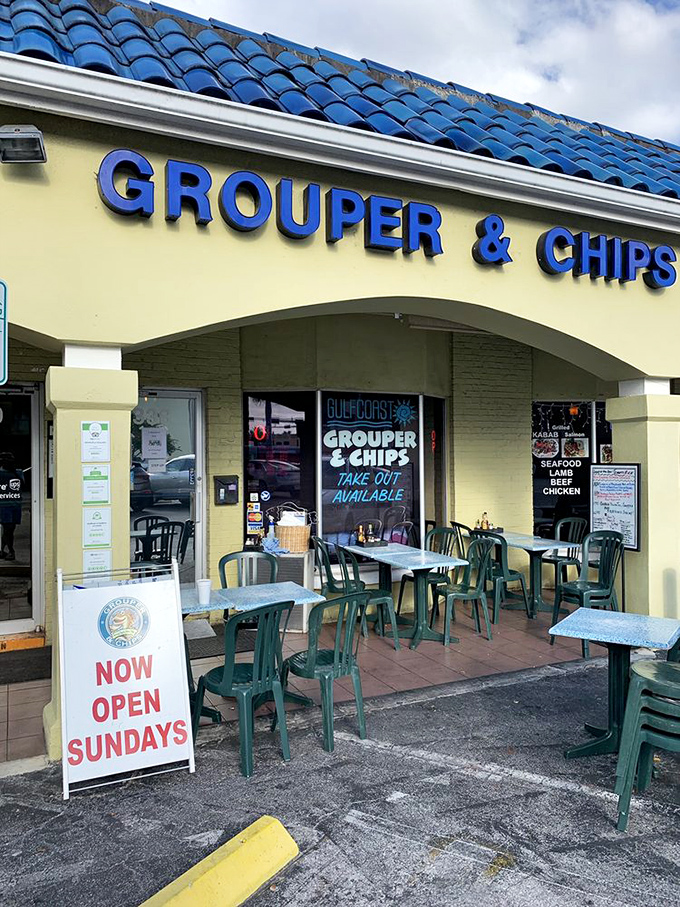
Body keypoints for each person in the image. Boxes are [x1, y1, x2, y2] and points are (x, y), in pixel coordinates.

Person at [0, 452, 24, 561]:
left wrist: (16, 473)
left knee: (10, 530)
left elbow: (24, 485)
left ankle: (3, 550)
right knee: (7, 529)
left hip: (15, 505)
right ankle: (11, 551)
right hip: (4, 506)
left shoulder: (18, 472)